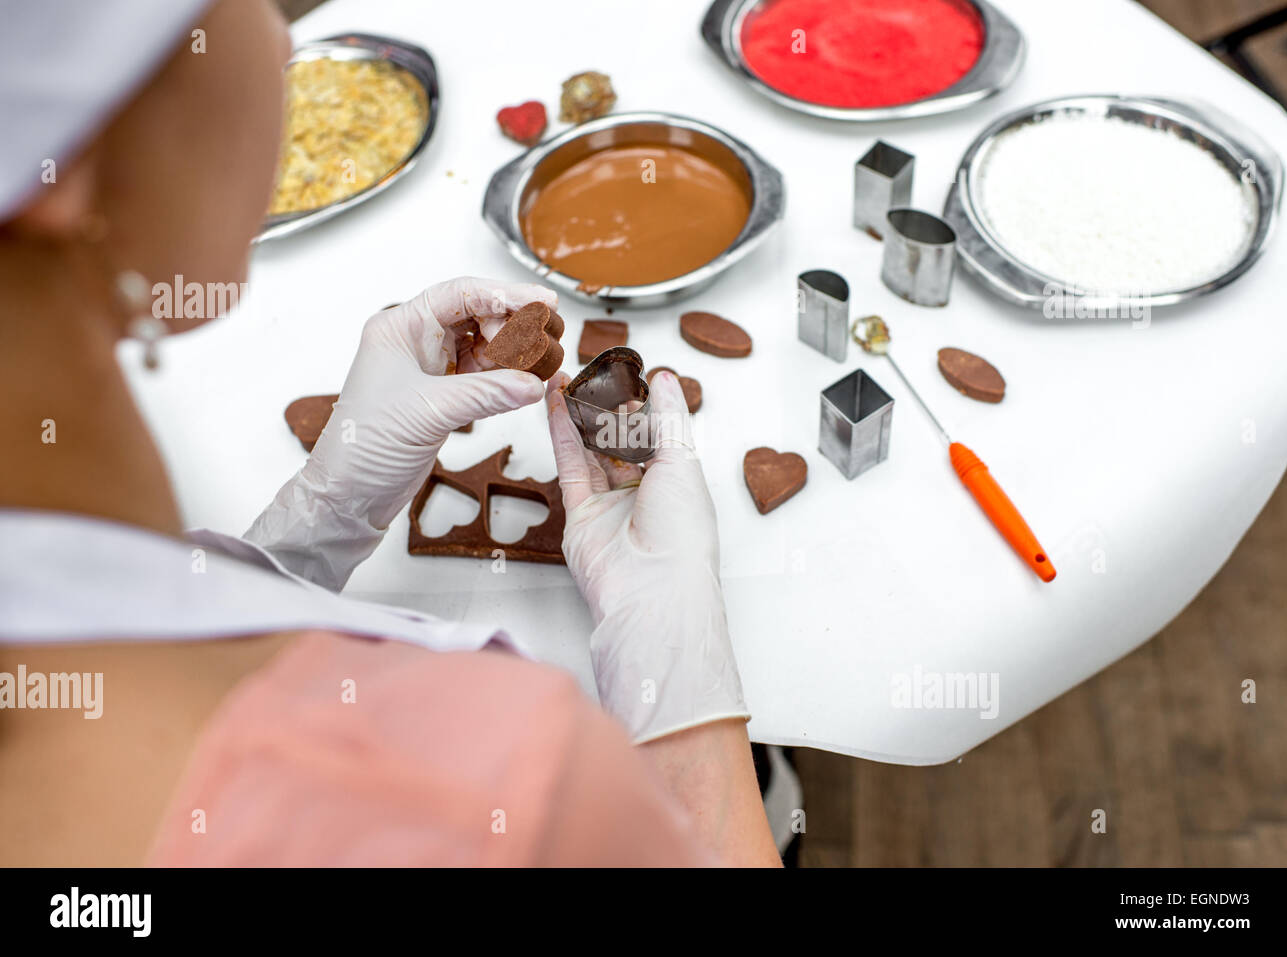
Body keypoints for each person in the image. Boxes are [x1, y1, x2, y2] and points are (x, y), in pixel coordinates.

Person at [0, 0, 779, 866]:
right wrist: (685, 704)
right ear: (63, 168)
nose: (280, 38)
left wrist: (316, 521)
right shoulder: (491, 794)